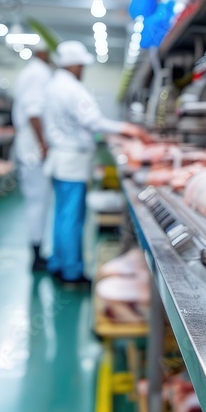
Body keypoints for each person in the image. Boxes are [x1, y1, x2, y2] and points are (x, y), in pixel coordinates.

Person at [43, 41, 148, 286]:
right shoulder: (72, 88)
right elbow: (94, 122)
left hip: (60, 160)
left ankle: (58, 263)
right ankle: (71, 272)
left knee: (60, 215)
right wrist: (129, 129)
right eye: (82, 65)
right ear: (75, 65)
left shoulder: (53, 85)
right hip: (72, 162)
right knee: (71, 217)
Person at [11, 43, 53, 271]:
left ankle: (37, 250)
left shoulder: (29, 72)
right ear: (44, 53)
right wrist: (43, 145)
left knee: (35, 199)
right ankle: (37, 254)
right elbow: (34, 111)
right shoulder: (39, 73)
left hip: (27, 143)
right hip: (32, 146)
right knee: (38, 200)